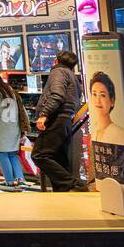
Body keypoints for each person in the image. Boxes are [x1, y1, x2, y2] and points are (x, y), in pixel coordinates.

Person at [32, 51, 83, 191]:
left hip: (57, 118)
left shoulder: (58, 72)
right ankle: (63, 193)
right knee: (58, 158)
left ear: (56, 61)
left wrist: (44, 114)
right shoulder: (73, 77)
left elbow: (57, 95)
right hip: (66, 121)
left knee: (39, 155)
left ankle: (71, 183)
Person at [87, 72, 124, 144]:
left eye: (102, 95)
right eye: (94, 94)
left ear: (112, 101)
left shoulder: (120, 134)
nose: (97, 100)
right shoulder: (93, 130)